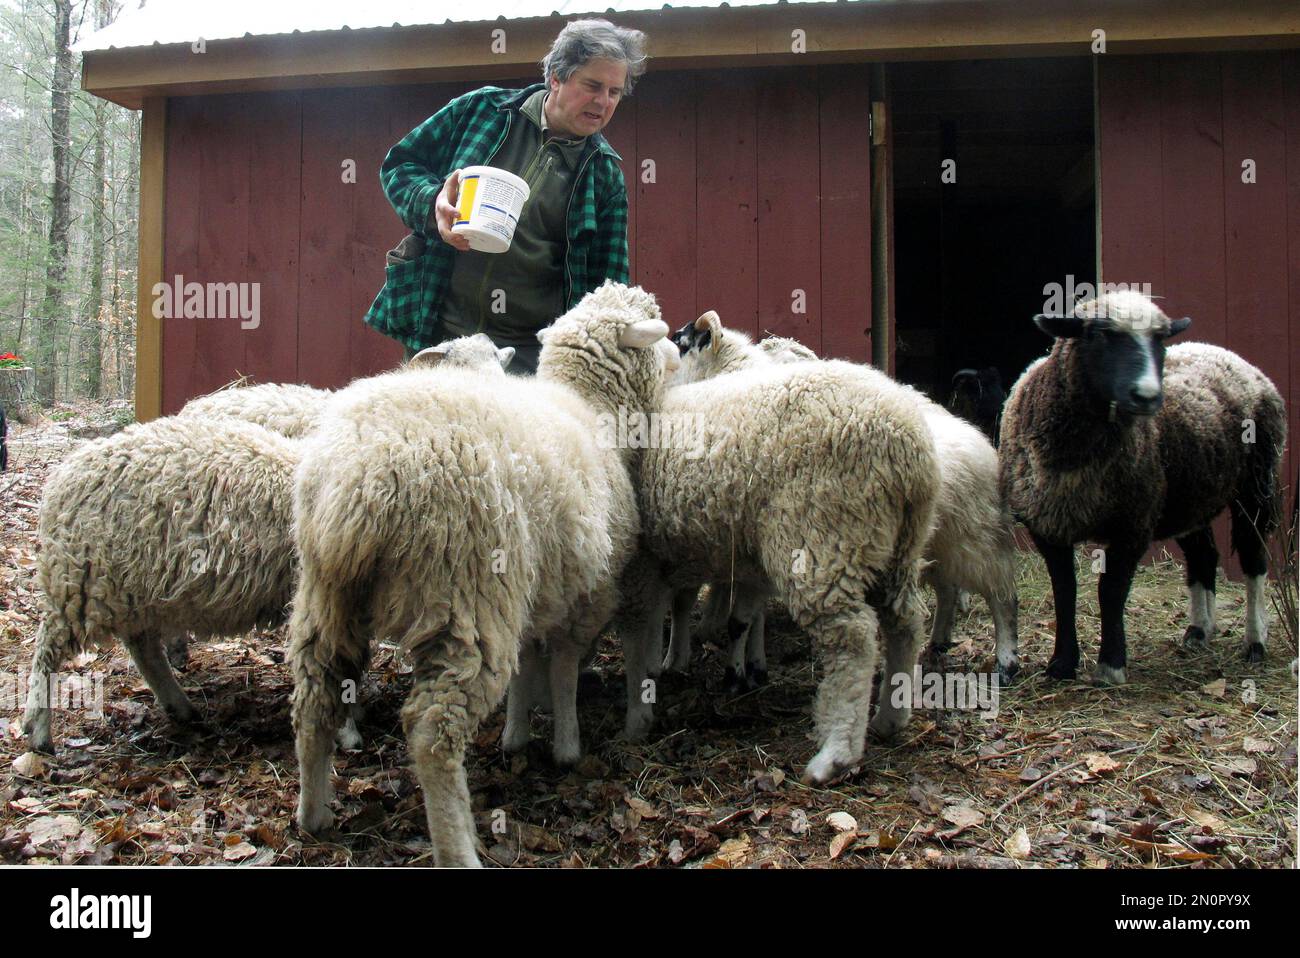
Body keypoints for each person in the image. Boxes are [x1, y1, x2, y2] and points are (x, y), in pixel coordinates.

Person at [365, 19, 648, 374]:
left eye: (614, 92)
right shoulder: (480, 110)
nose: (603, 101)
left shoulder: (605, 175)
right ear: (556, 77)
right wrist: (432, 201)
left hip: (529, 355)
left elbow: (609, 286)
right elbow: (400, 164)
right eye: (592, 85)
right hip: (439, 331)